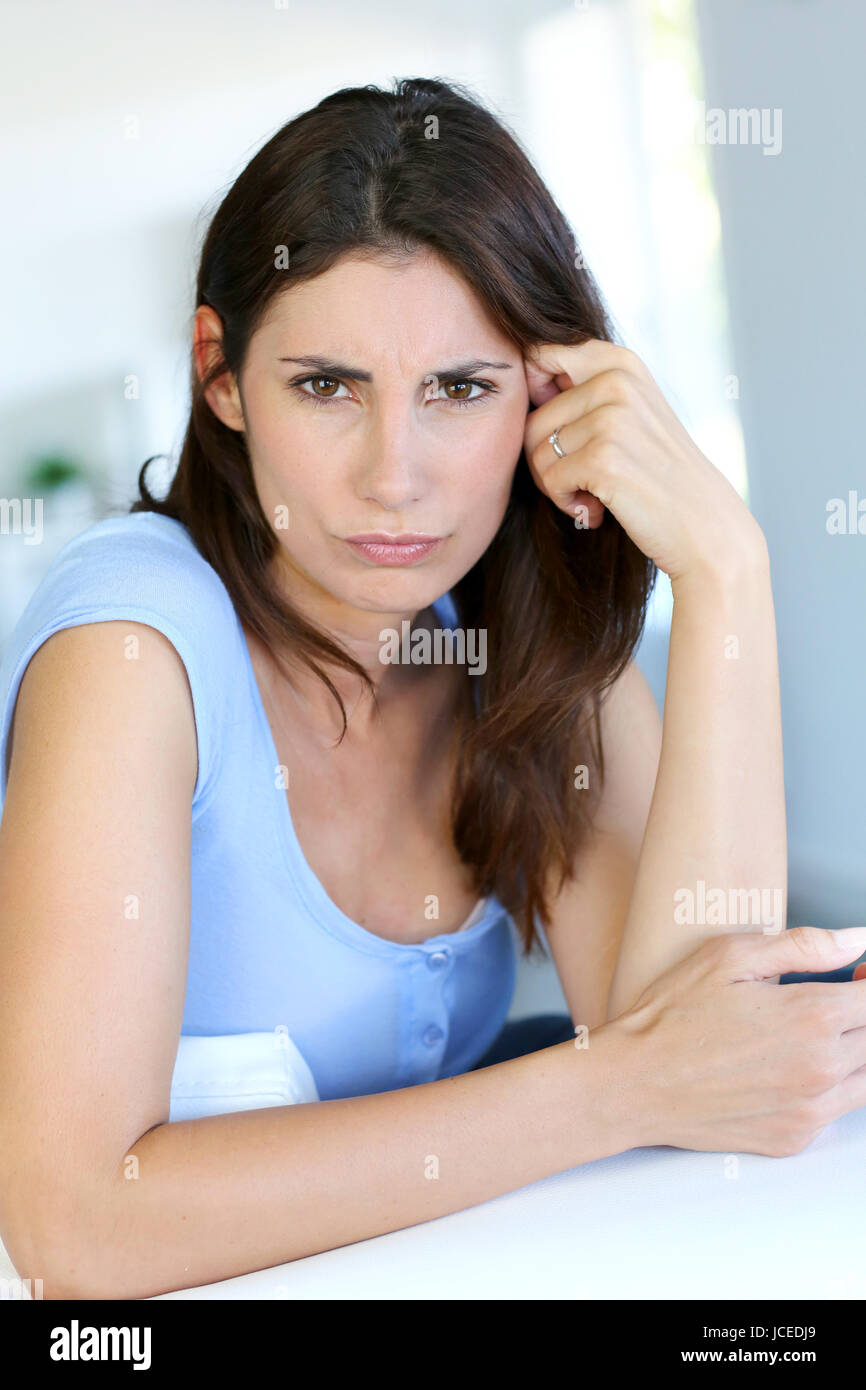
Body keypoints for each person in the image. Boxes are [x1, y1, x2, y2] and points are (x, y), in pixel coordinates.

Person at [1, 76, 865, 1302]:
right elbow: (74, 1227)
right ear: (221, 375)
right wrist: (608, 1087)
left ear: (544, 394)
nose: (392, 478)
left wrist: (725, 569)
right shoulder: (132, 650)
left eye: (458, 389)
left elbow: (700, 1063)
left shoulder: (521, 622)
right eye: (327, 385)